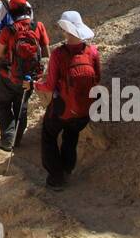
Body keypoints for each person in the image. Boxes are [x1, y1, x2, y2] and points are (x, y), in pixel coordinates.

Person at [37, 11, 101, 188]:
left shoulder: (58, 54)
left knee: (49, 135)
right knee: (71, 136)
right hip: (84, 110)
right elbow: (98, 79)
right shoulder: (93, 52)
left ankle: (56, 178)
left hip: (63, 109)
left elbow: (49, 85)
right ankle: (67, 170)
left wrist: (36, 85)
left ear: (65, 29)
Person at [0, 0, 49, 151]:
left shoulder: (8, 30)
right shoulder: (38, 26)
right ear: (27, 10)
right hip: (30, 77)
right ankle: (16, 139)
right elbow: (45, 52)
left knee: (3, 104)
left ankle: (7, 140)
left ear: (12, 12)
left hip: (9, 76)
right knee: (21, 106)